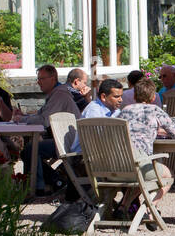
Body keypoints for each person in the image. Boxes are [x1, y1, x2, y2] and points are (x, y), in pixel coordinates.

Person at [14, 64, 81, 194]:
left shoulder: (60, 94)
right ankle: (52, 181)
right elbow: (41, 116)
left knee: (31, 149)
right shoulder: (55, 94)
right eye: (38, 79)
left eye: (42, 78)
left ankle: (39, 187)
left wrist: (21, 119)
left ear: (53, 78)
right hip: (63, 139)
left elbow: (44, 120)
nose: (39, 82)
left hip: (70, 142)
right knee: (29, 149)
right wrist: (25, 116)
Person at [113, 78, 175, 192]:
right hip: (140, 164)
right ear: (153, 97)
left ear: (134, 96)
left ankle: (124, 206)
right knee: (169, 175)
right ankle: (150, 207)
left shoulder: (125, 110)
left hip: (119, 165)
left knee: (141, 180)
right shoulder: (155, 110)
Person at [70, 78, 123, 155]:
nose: (121, 100)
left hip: (104, 154)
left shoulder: (115, 110)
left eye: (121, 96)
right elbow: (97, 140)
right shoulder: (93, 111)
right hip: (85, 157)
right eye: (116, 96)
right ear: (103, 97)